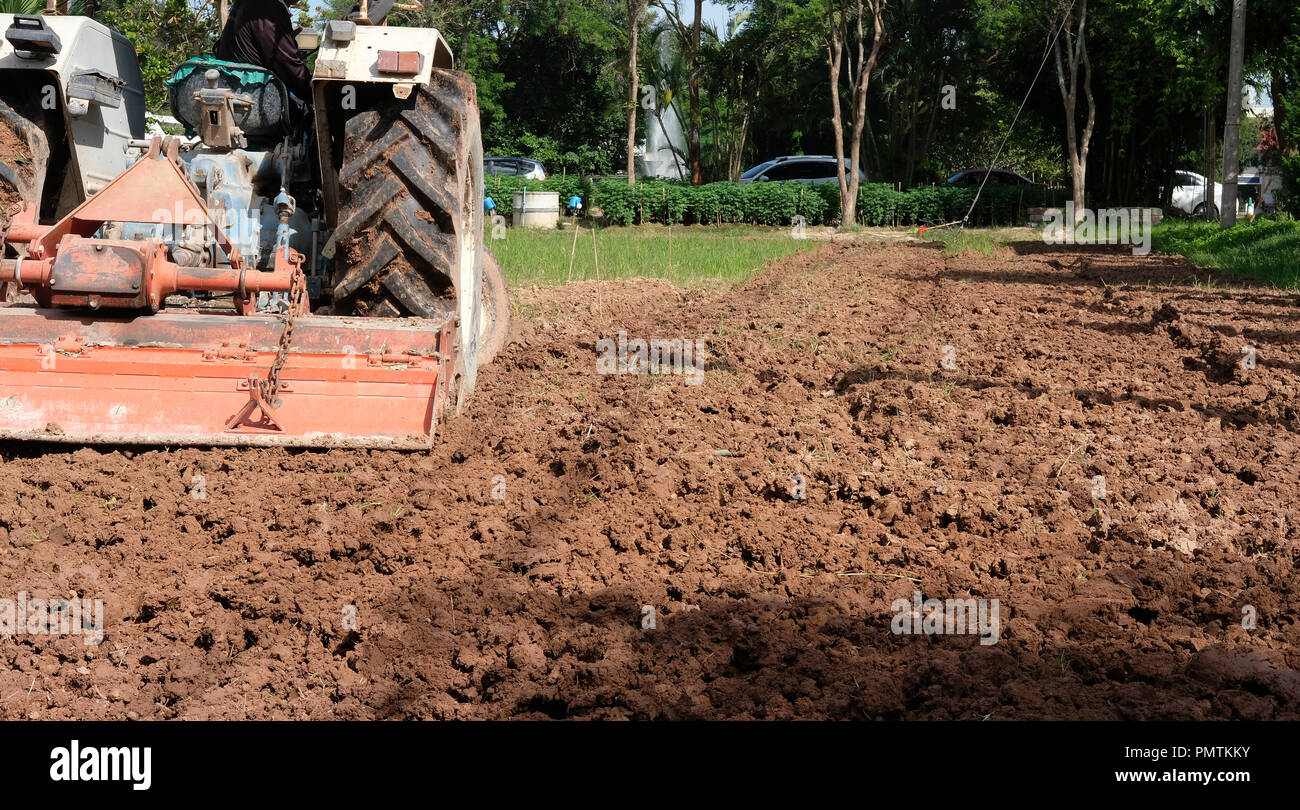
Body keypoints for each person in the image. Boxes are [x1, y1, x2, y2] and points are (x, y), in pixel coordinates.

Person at [213, 0, 311, 106]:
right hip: (254, 103)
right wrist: (316, 90)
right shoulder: (268, 7)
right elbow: (289, 69)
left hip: (236, 94)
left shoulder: (243, 4)